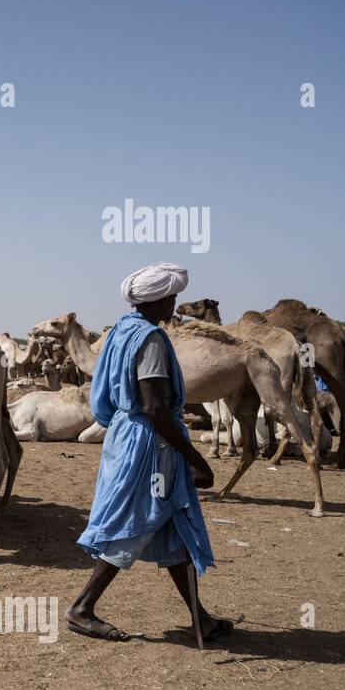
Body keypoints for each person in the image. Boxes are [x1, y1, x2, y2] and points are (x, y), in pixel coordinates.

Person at [68, 262, 232, 647]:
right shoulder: (152, 340)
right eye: (170, 298)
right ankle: (81, 607)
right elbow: (156, 407)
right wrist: (196, 458)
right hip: (150, 444)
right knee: (137, 520)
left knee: (171, 524)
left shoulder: (120, 331)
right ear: (157, 300)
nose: (174, 305)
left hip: (128, 434)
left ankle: (200, 618)